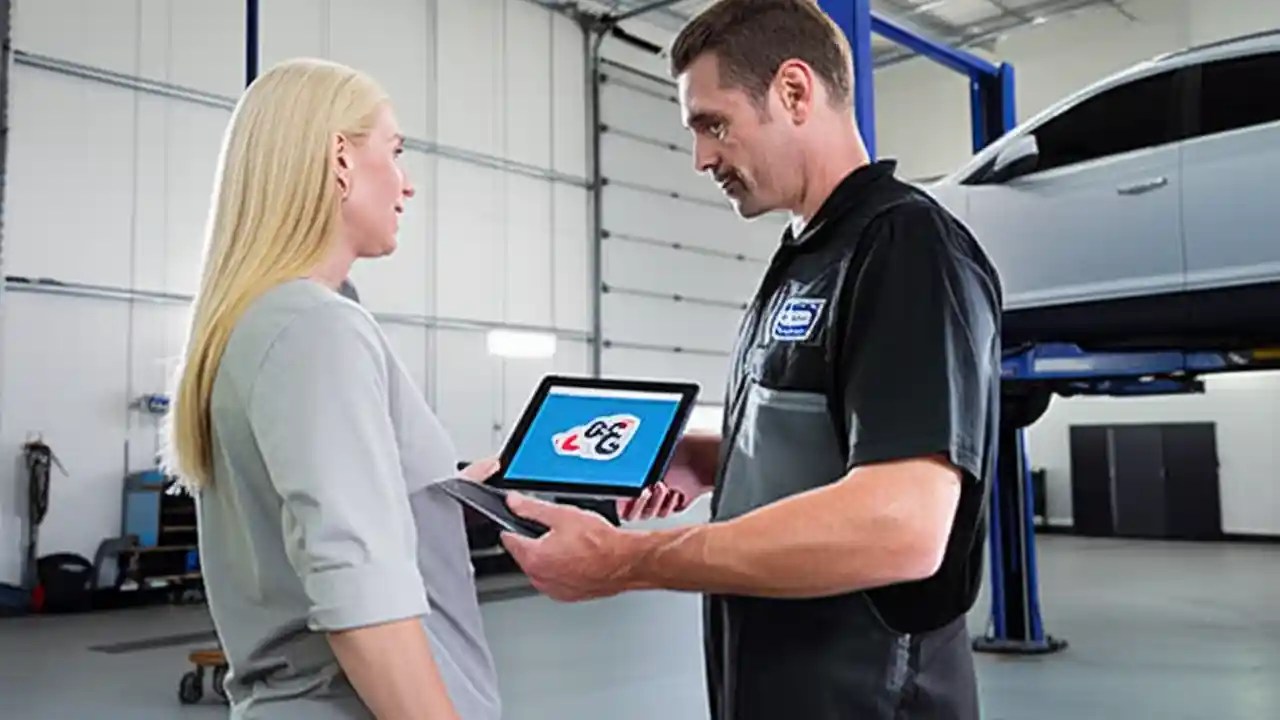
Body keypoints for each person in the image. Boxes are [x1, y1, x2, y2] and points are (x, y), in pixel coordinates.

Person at [499, 1, 1003, 719]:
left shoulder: (905, 249)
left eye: (713, 123)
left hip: (867, 694)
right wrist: (706, 458)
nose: (702, 157)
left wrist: (629, 562)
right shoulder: (807, 257)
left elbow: (901, 526)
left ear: (794, 92)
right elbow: (826, 442)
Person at [161, 58, 501, 719]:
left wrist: (442, 497)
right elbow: (360, 592)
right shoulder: (316, 329)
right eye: (394, 152)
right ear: (339, 159)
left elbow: (316, 525)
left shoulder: (260, 323)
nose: (406, 186)